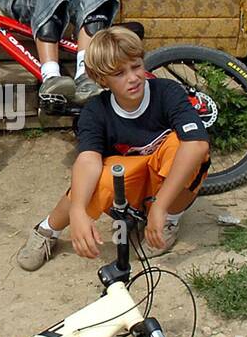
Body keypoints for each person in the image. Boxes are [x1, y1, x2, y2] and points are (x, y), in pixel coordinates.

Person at [16, 25, 210, 270]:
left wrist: (160, 207)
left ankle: (169, 219)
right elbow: (87, 161)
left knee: (186, 146)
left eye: (136, 66)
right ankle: (46, 230)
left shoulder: (167, 92)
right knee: (101, 174)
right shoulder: (95, 111)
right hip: (128, 187)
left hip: (165, 186)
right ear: (101, 79)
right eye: (119, 73)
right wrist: (77, 211)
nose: (132, 77)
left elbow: (197, 145)